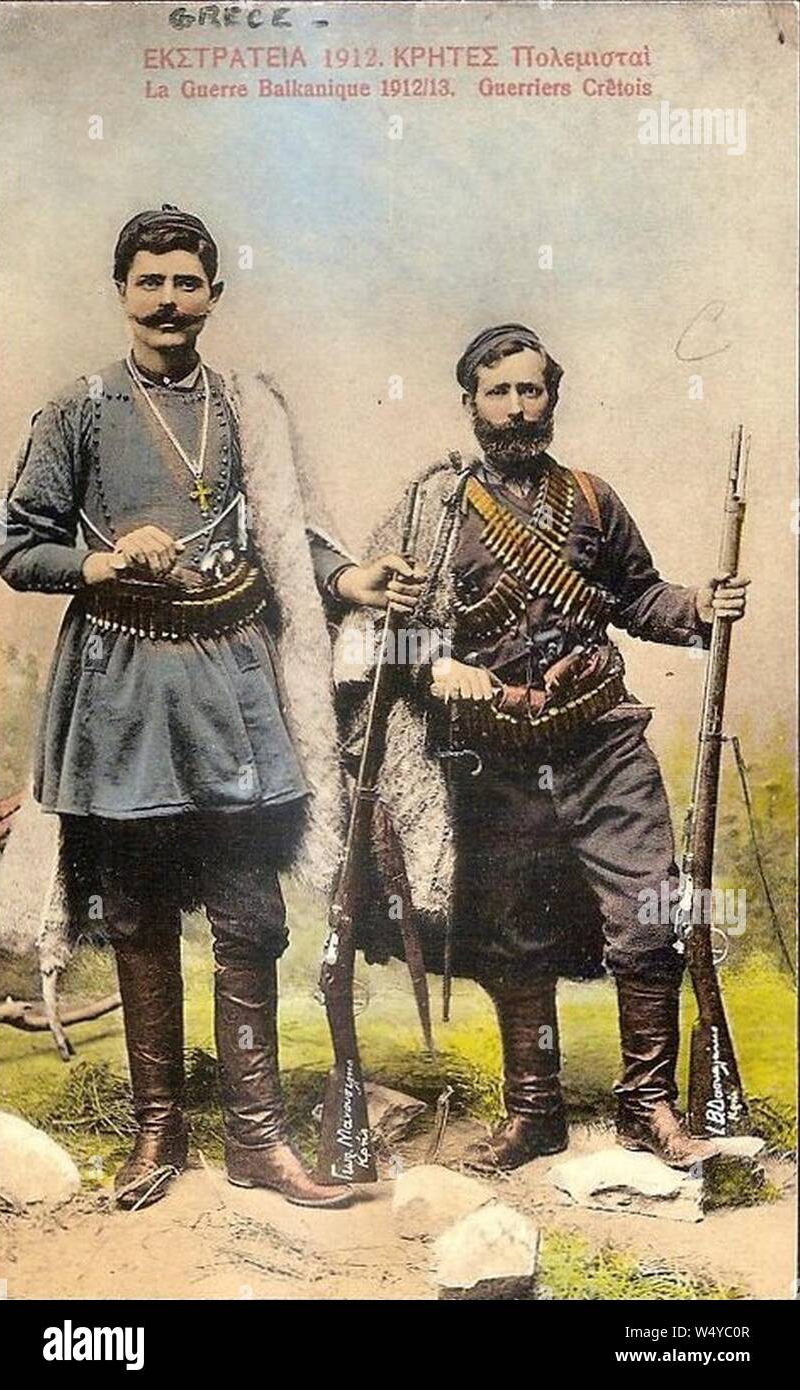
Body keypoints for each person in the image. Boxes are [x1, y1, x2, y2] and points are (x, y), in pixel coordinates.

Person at [0, 205, 420, 1211]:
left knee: (247, 910)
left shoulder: (246, 409)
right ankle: (158, 1135)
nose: (170, 301)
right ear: (124, 291)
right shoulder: (81, 410)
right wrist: (98, 557)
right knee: (139, 912)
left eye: (189, 283)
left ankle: (259, 1140)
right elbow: (16, 546)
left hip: (234, 686)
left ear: (214, 297)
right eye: (152, 281)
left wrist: (350, 578)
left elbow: (287, 536)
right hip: (126, 690)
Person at [335, 322, 748, 1172]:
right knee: (512, 938)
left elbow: (639, 599)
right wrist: (438, 665)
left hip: (602, 744)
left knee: (649, 916)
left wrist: (700, 606)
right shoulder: (434, 512)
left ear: (551, 399)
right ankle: (534, 1113)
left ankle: (649, 1108)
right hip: (491, 762)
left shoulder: (593, 498)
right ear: (470, 404)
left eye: (532, 392)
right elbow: (373, 643)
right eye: (500, 393)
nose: (518, 410)